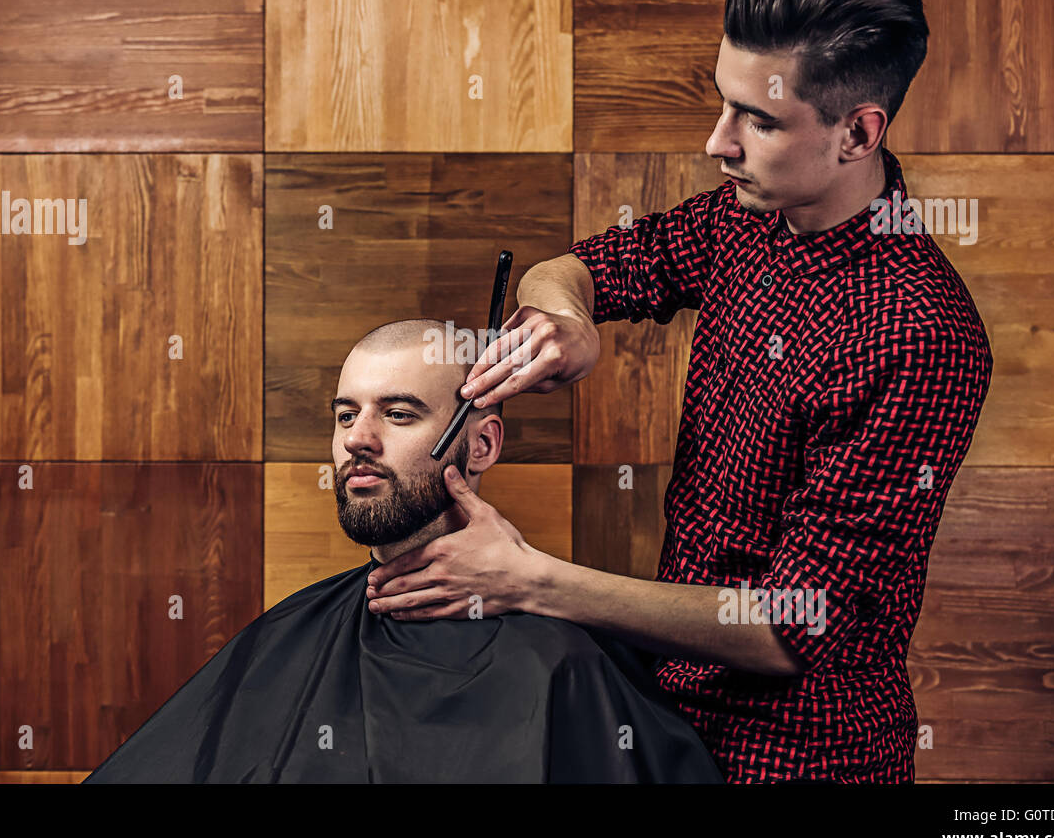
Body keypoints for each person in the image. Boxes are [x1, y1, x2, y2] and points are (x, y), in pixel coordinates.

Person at [364, 0, 993, 783]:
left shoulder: (920, 333)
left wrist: (530, 581)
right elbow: (577, 267)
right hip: (668, 715)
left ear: (857, 132)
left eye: (759, 121)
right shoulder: (745, 220)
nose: (718, 142)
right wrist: (566, 318)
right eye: (724, 104)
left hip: (800, 754)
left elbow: (790, 628)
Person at [83, 319, 723, 783]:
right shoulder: (288, 633)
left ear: (480, 445)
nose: (357, 440)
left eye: (398, 413)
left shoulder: (560, 666)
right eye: (344, 416)